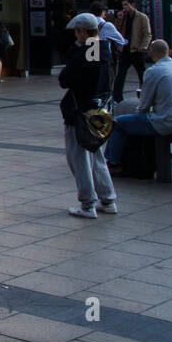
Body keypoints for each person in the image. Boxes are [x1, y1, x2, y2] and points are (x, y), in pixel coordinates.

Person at [106, 39, 172, 176]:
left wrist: (138, 114)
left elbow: (143, 105)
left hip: (165, 123)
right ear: (169, 52)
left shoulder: (153, 71)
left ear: (151, 53)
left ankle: (113, 163)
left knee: (118, 123)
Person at [57, 13, 117, 218]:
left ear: (82, 32)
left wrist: (76, 50)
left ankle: (87, 203)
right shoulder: (103, 48)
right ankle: (108, 199)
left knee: (79, 158)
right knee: (95, 154)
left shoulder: (88, 51)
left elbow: (67, 78)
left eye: (76, 31)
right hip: (98, 111)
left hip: (80, 111)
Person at [114, 0, 151, 103]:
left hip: (137, 50)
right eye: (123, 5)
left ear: (132, 4)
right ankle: (117, 97)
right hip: (125, 50)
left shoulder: (142, 17)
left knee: (142, 74)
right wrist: (119, 19)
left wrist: (143, 47)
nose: (124, 7)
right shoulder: (123, 17)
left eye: (126, 5)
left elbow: (147, 33)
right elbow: (117, 31)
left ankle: (145, 95)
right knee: (120, 74)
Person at [89, 1, 126, 80]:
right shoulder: (107, 25)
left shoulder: (87, 24)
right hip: (103, 57)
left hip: (90, 55)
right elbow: (121, 41)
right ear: (103, 12)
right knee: (106, 81)